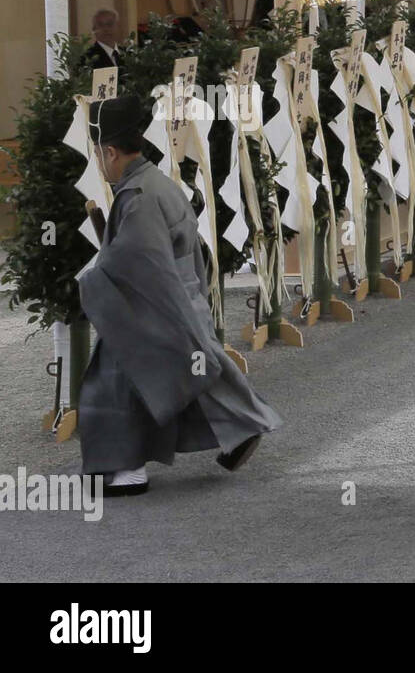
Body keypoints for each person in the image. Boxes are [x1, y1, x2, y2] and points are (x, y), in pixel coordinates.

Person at [78, 95, 282, 497]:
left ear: (111, 152)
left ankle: (126, 470)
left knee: (118, 382)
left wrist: (91, 281)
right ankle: (240, 429)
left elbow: (135, 262)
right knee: (190, 376)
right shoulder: (157, 183)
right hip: (177, 296)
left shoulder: (138, 196)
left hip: (155, 304)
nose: (98, 164)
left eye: (98, 155)